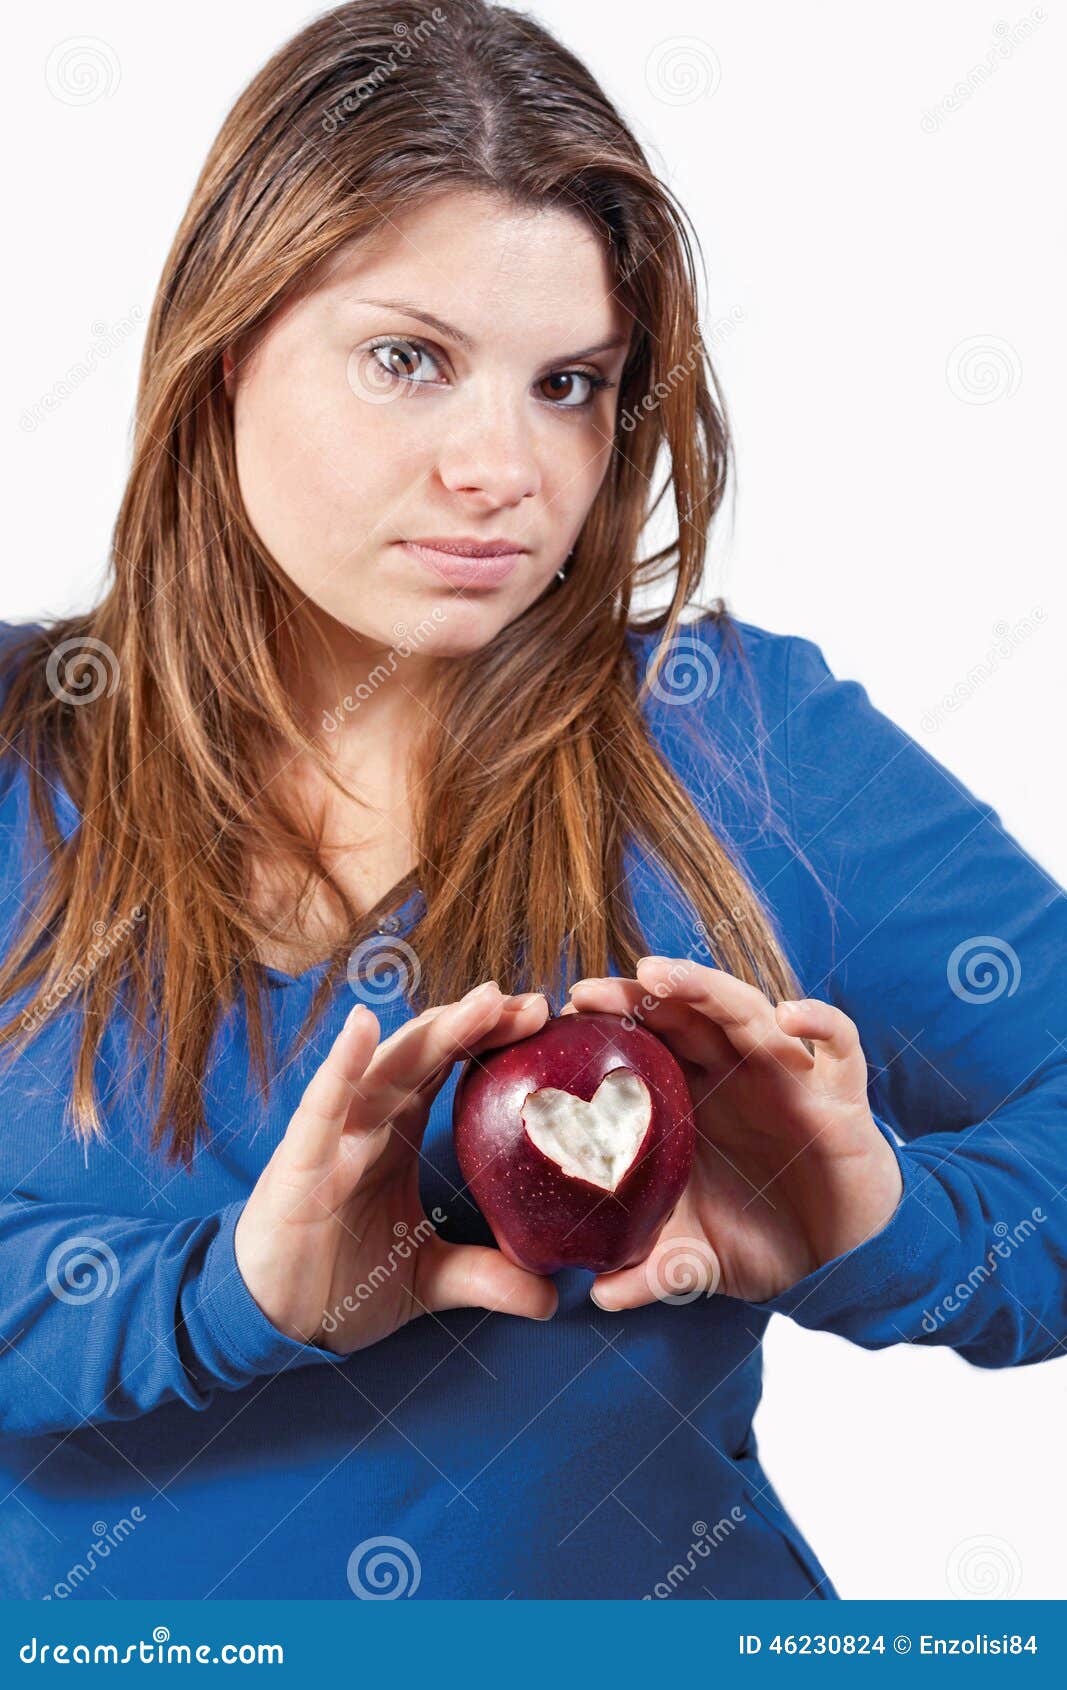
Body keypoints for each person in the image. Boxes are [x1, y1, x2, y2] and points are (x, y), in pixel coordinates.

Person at [0, 0, 1063, 1602]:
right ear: (222, 354)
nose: (503, 464)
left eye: (571, 383)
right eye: (408, 360)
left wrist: (892, 1222)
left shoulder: (741, 738)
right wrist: (228, 1298)